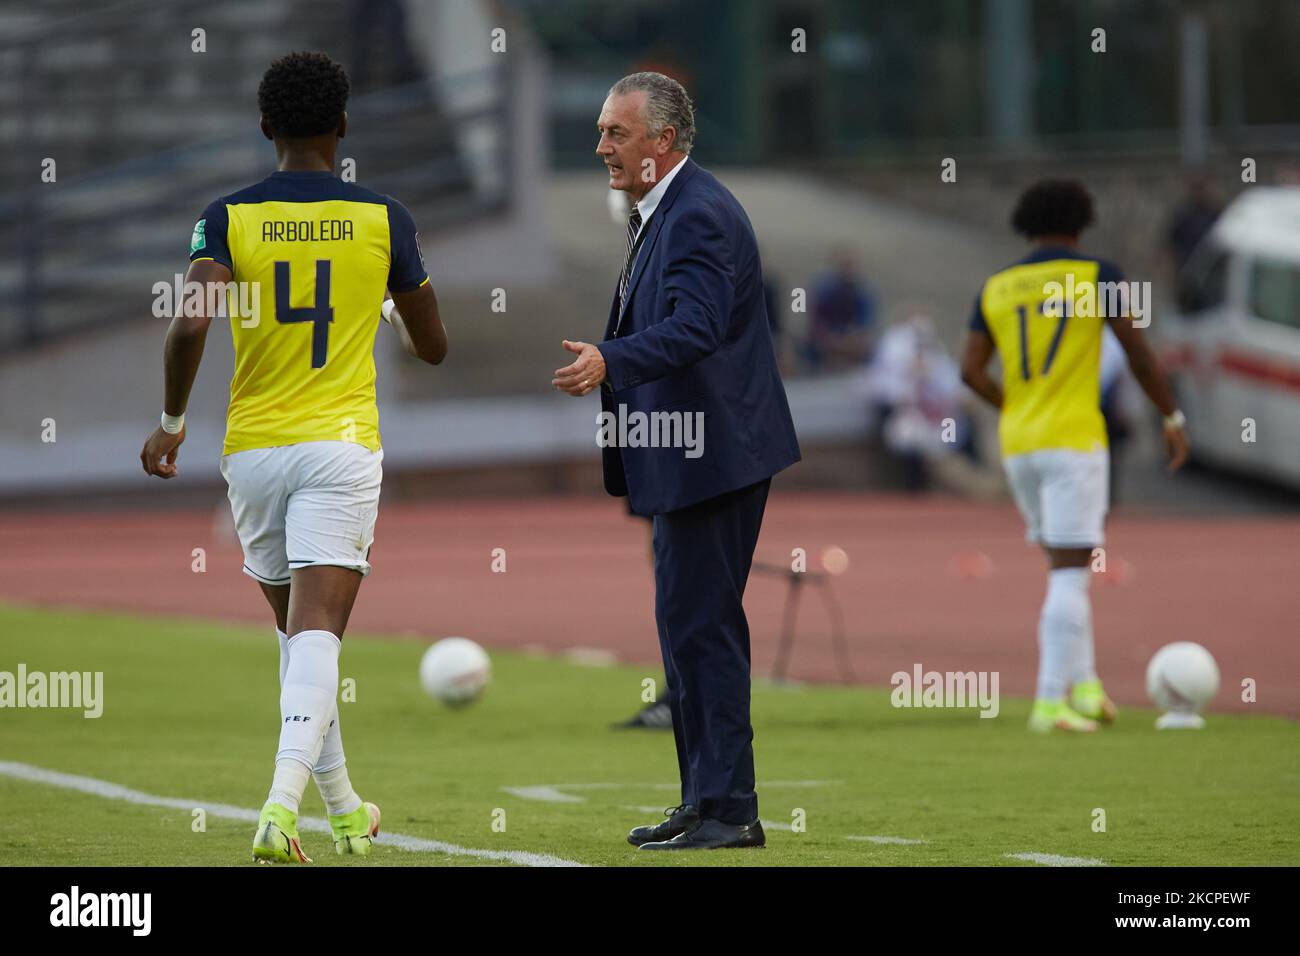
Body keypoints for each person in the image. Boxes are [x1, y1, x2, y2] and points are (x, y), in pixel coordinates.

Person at [139, 51, 448, 862]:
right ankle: (279, 812)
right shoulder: (384, 218)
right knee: (316, 633)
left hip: (254, 453)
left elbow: (190, 323)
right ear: (343, 126)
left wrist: (171, 421)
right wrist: (388, 308)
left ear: (264, 126)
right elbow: (434, 347)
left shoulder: (229, 216)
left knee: (299, 636)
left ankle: (345, 812)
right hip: (339, 447)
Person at [553, 72, 800, 849]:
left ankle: (730, 809)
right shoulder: (667, 207)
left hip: (714, 450)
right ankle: (703, 801)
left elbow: (698, 326)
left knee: (703, 627)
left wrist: (611, 359)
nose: (602, 146)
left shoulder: (696, 213)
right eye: (602, 131)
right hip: (685, 450)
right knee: (686, 627)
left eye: (616, 133)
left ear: (662, 141)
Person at [959, 179, 1188, 734]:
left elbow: (970, 371)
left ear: (1025, 224)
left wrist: (1014, 405)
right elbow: (1137, 353)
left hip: (1019, 444)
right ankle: (1049, 703)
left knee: (1067, 568)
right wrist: (1171, 416)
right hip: (1074, 441)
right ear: (1083, 222)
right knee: (1069, 573)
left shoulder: (998, 285)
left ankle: (1085, 688)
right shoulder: (1097, 276)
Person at [803, 251, 877, 371]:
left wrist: (851, 339)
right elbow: (816, 321)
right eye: (844, 264)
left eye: (850, 265)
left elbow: (865, 323)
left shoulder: (863, 292)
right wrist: (832, 339)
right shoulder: (823, 290)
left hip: (852, 339)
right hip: (828, 339)